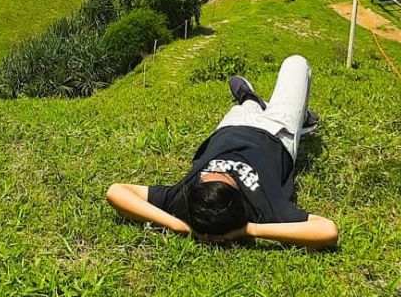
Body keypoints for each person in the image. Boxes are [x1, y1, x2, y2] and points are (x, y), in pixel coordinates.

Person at [105, 54, 338, 248]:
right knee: (296, 63)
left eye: (206, 177)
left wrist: (176, 225)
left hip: (230, 127)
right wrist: (250, 230)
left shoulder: (186, 198)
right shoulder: (263, 207)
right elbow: (327, 230)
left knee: (246, 106)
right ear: (239, 200)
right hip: (277, 131)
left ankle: (250, 98)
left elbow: (116, 192)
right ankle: (299, 118)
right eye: (226, 178)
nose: (216, 171)